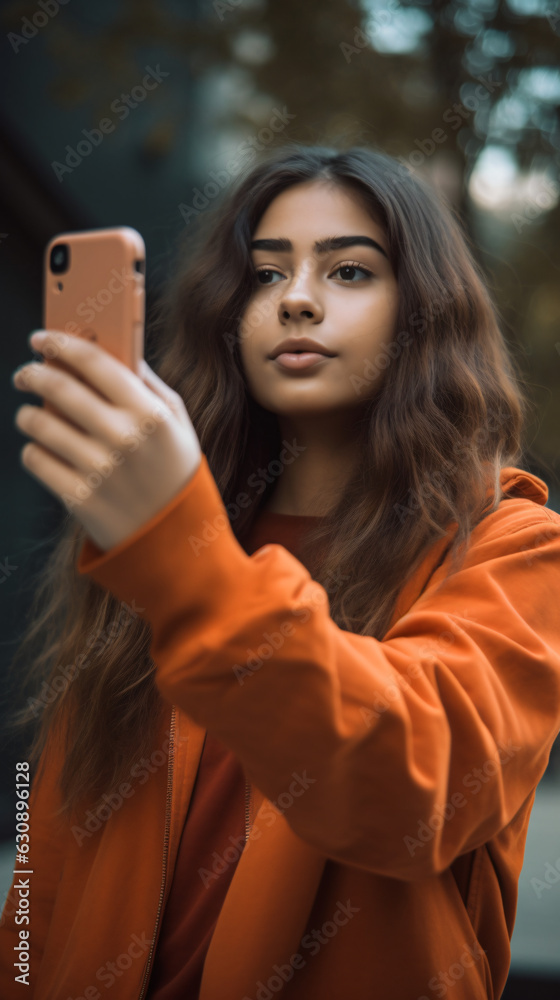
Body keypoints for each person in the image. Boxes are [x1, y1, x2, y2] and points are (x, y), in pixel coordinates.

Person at [1, 142, 560, 1000]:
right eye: (265, 275)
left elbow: (419, 793)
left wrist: (181, 555)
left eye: (349, 272)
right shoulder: (147, 541)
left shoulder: (513, 546)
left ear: (425, 311)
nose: (296, 299)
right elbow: (46, 861)